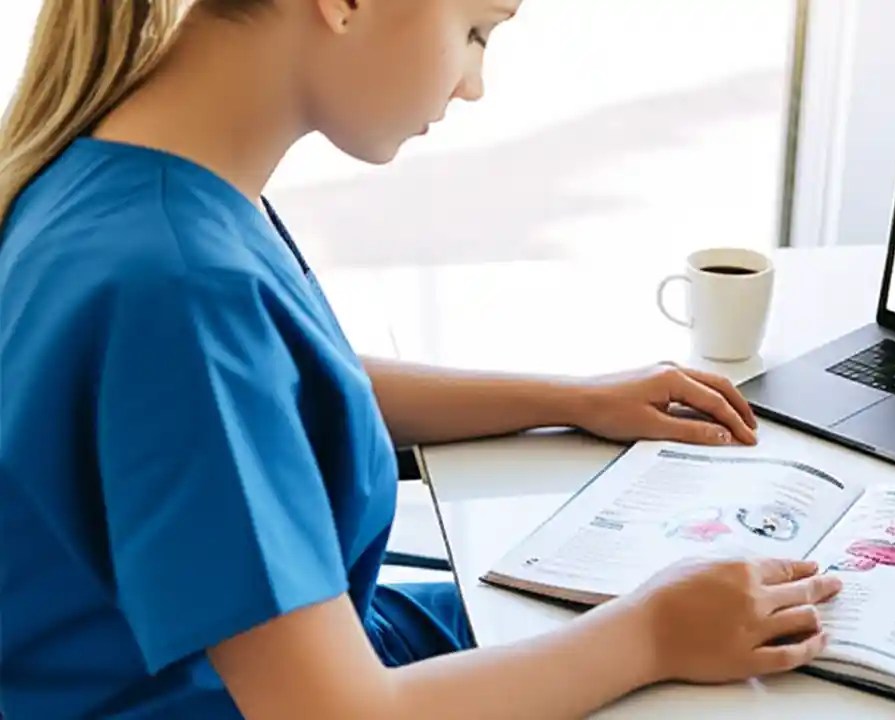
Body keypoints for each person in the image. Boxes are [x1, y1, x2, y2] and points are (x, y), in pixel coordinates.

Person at [0, 1, 843, 718]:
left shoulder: (129, 177)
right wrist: (653, 632)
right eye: (476, 30)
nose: (474, 81)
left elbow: (281, 387)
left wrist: (571, 398)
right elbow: (333, 714)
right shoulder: (177, 285)